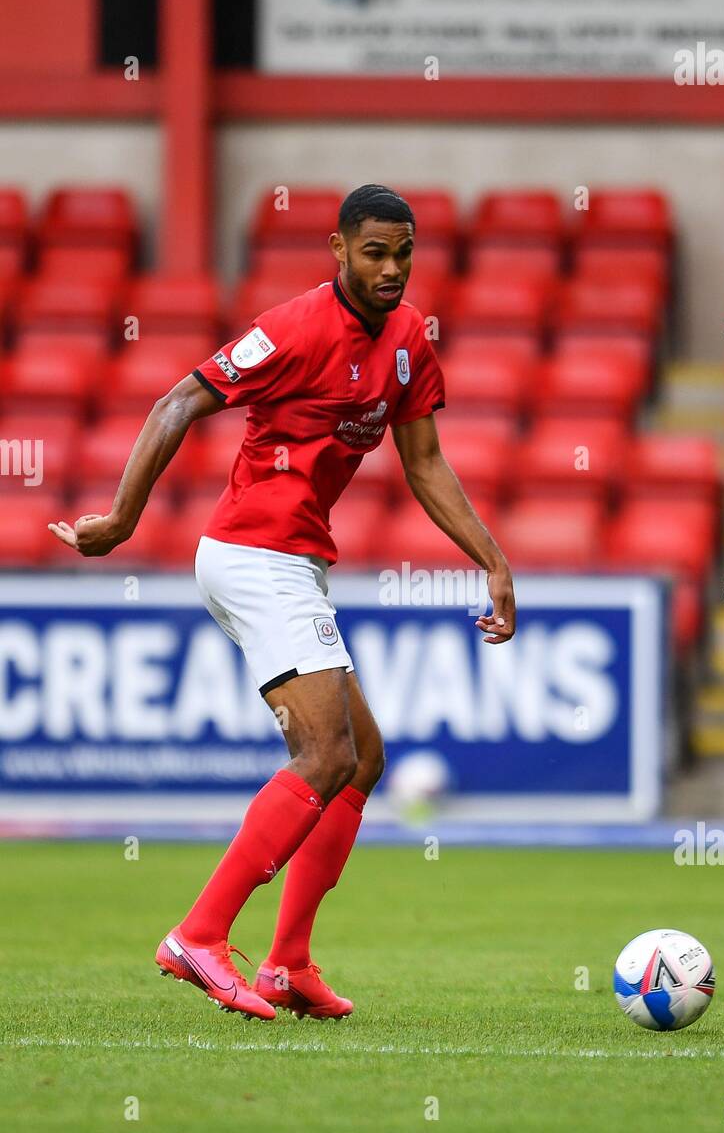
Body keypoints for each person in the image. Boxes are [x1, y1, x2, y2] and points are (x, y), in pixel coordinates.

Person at [49, 184, 516, 1022]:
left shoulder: (408, 337)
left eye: (404, 252)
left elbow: (426, 463)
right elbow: (178, 400)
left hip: (296, 563)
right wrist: (121, 519)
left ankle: (287, 963)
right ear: (338, 250)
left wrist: (491, 559)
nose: (392, 269)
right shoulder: (295, 328)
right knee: (327, 754)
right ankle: (199, 934)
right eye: (374, 251)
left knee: (361, 758)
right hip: (252, 554)